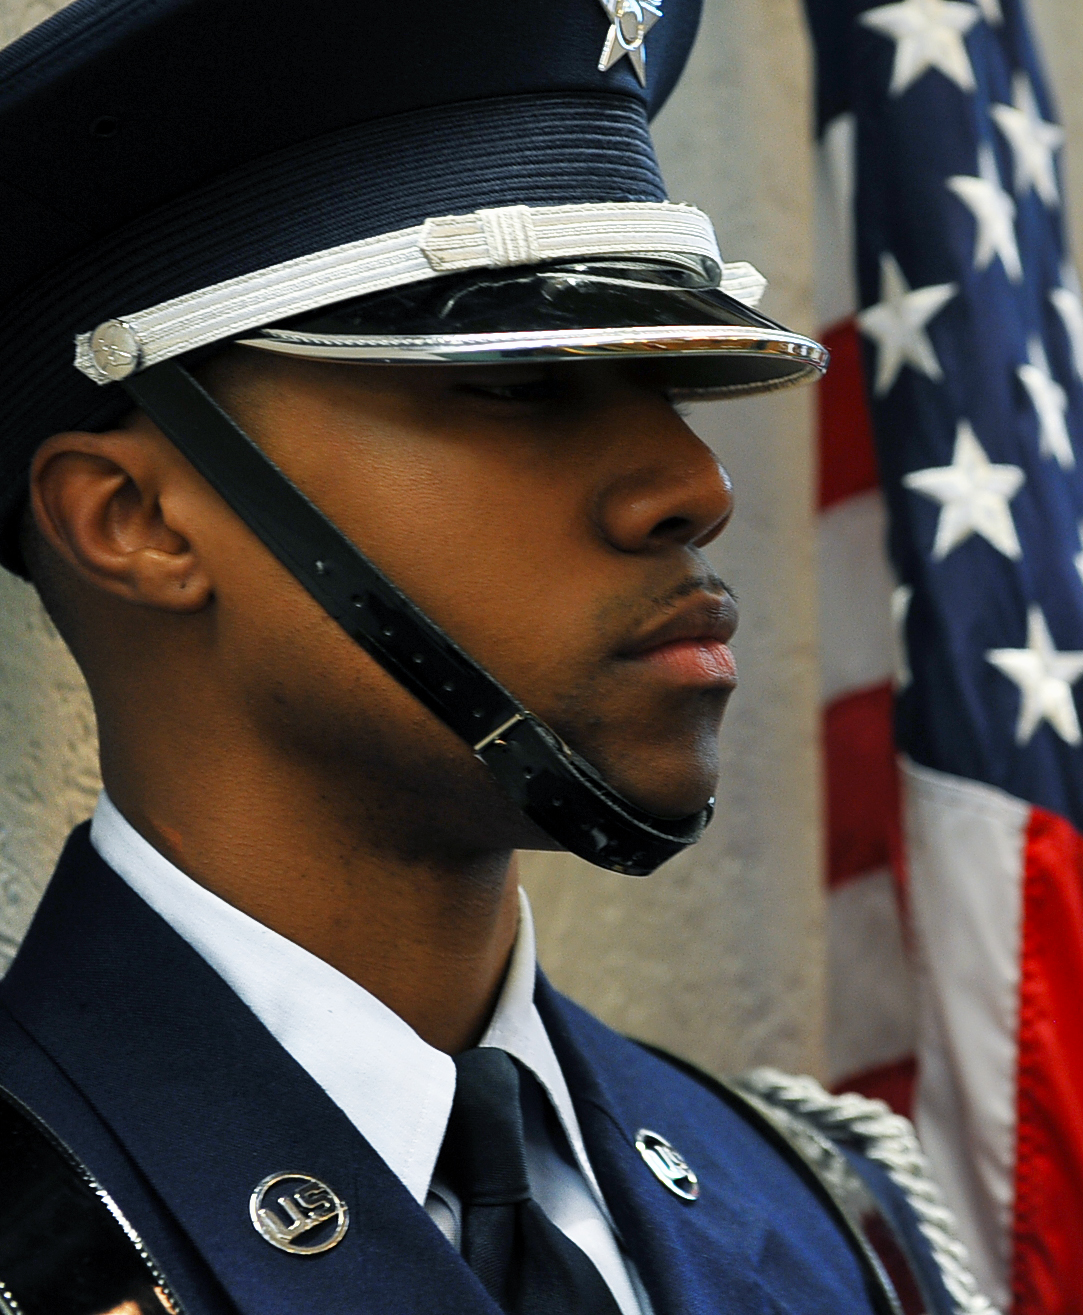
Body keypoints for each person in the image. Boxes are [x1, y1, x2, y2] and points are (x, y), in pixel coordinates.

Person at [0, 2, 990, 1313]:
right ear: (134, 522)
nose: (688, 486)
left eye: (669, 384)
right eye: (517, 382)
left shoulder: (815, 1207)